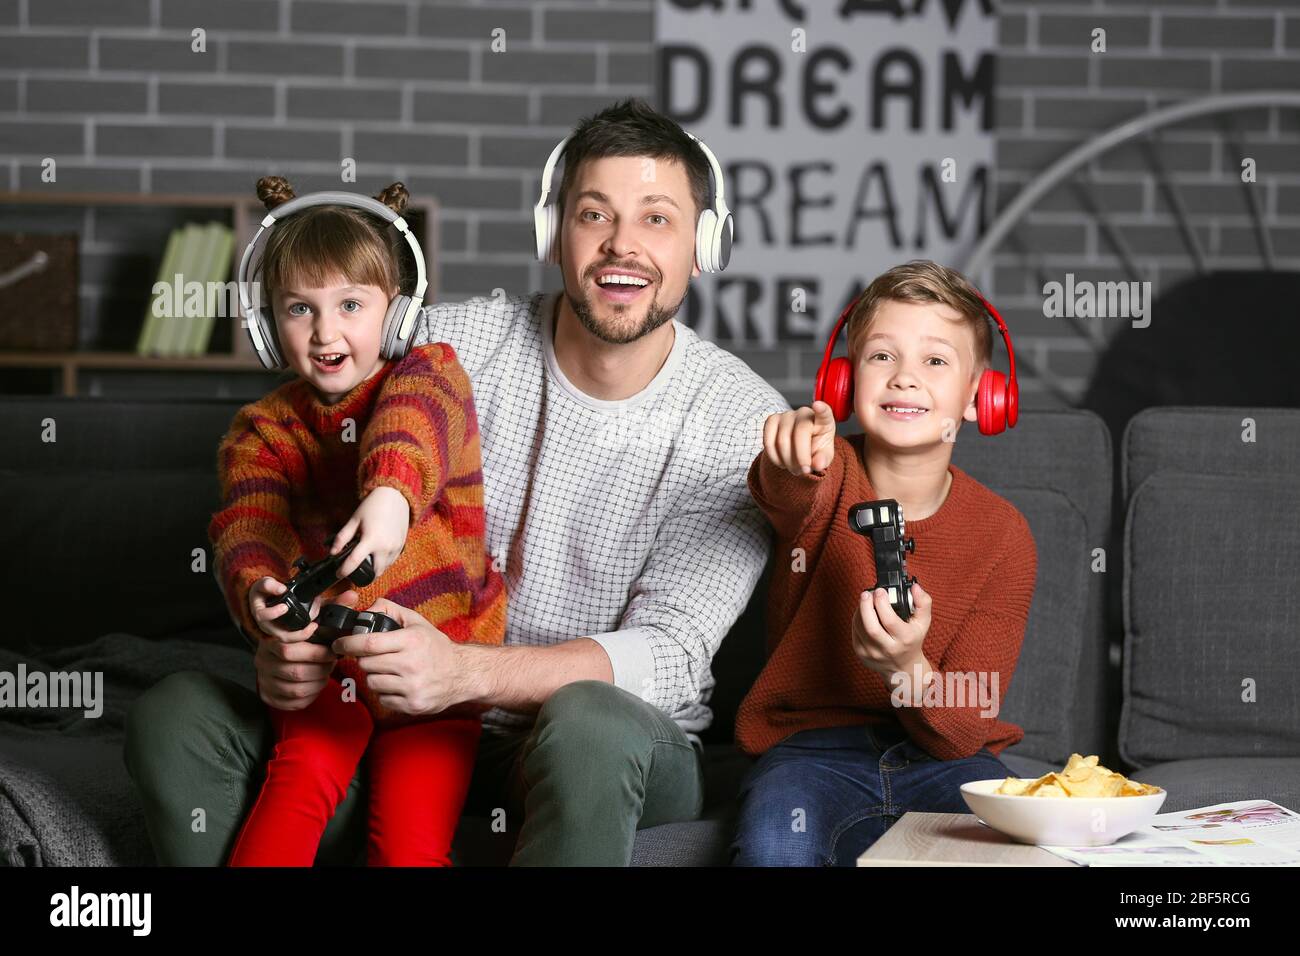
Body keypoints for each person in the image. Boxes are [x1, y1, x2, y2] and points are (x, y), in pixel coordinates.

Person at [123, 97, 790, 866]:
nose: (622, 246)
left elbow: (671, 655)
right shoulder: (447, 340)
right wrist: (276, 634)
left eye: (656, 219)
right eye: (594, 214)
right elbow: (289, 495)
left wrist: (465, 672)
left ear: (703, 244)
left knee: (591, 722)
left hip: (594, 754)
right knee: (176, 712)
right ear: (553, 232)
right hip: (393, 717)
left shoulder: (738, 419)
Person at [209, 175, 506, 866]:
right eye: (298, 309)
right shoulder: (263, 428)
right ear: (265, 326)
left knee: (410, 843)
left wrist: (390, 498)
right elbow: (249, 526)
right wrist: (258, 596)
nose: (325, 331)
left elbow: (411, 427)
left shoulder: (431, 372)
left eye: (350, 304)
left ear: (397, 315)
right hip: (323, 664)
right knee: (301, 778)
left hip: (431, 674)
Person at [729, 259, 1038, 866]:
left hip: (949, 760)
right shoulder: (827, 474)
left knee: (1017, 855)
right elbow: (787, 490)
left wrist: (909, 670)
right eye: (881, 357)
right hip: (810, 752)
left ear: (983, 399)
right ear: (844, 383)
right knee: (775, 846)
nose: (904, 378)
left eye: (935, 360)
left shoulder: (1005, 534)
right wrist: (792, 454)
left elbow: (963, 727)